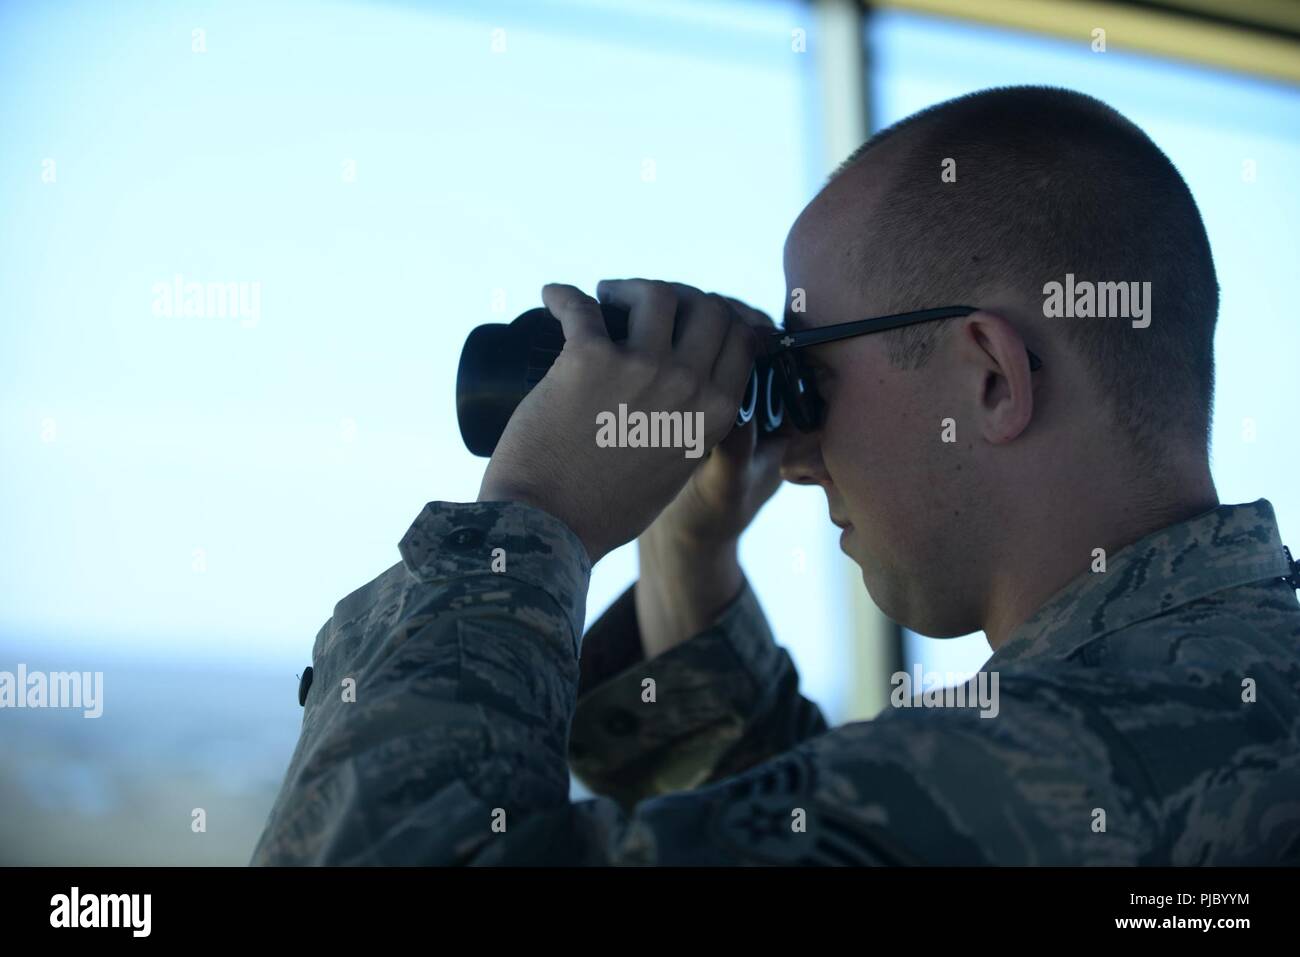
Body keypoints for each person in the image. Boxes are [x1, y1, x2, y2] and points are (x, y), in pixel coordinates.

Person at [250, 86, 1300, 865]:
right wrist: (686, 562)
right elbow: (831, 828)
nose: (795, 452)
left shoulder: (1072, 767)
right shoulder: (1204, 703)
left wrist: (534, 518)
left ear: (989, 378)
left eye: (810, 377)